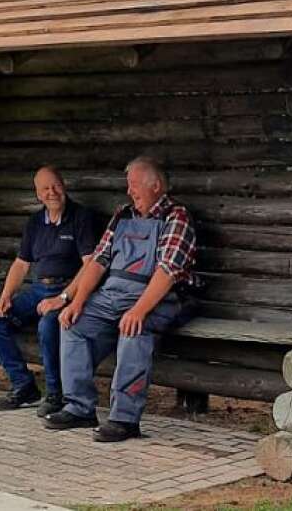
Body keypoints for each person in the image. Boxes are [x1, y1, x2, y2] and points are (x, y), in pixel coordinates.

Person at [39, 156, 198, 442]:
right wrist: (76, 302)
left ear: (156, 185)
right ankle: (79, 407)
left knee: (134, 330)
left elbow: (167, 271)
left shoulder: (177, 217)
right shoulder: (122, 215)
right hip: (111, 295)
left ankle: (125, 419)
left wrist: (138, 311)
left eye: (135, 185)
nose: (129, 191)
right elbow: (97, 262)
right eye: (129, 185)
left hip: (158, 297)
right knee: (71, 323)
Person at [0, 166, 97, 416]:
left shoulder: (81, 217)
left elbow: (90, 265)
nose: (52, 192)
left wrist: (62, 297)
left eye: (55, 185)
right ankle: (23, 386)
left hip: (69, 290)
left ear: (63, 185)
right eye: (45, 188)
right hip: (37, 290)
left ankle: (55, 394)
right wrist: (5, 297)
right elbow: (21, 264)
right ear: (37, 194)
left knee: (48, 325)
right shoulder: (35, 222)